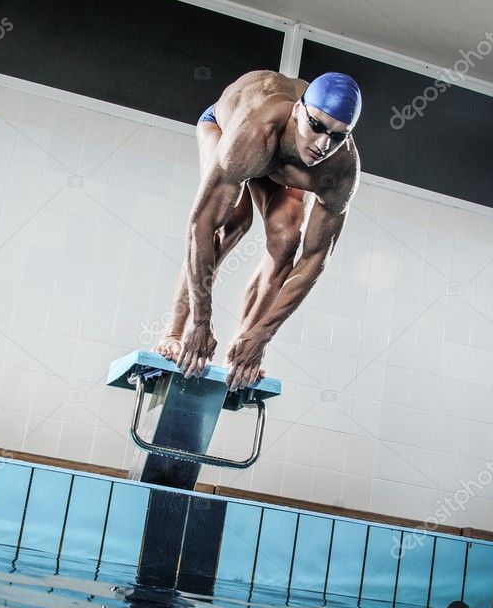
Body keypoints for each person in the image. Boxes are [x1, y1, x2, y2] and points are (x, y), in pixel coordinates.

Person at [154, 70, 361, 391]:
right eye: (317, 126)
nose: (323, 144)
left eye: (337, 136)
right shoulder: (255, 131)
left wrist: (262, 335)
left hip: (282, 163)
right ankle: (175, 330)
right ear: (296, 110)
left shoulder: (341, 168)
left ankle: (243, 349)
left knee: (287, 239)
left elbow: (315, 258)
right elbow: (200, 224)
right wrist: (201, 321)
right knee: (232, 223)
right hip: (227, 129)